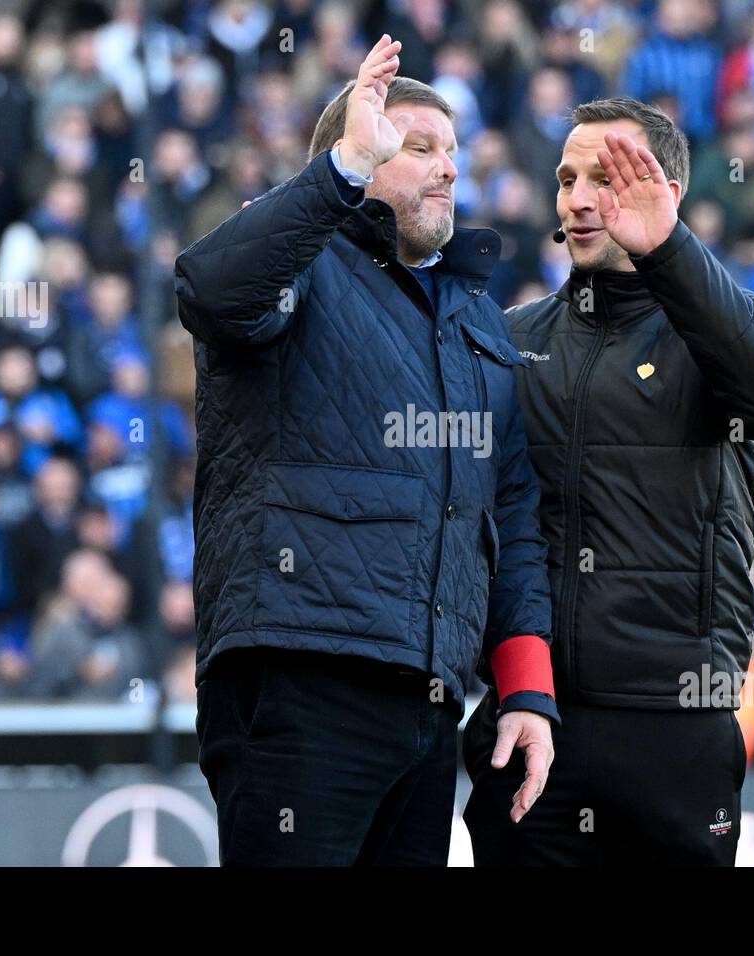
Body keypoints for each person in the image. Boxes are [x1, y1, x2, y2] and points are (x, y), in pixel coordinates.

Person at [176, 36, 558, 866]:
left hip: (429, 702)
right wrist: (342, 168)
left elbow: (513, 517)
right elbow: (210, 289)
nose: (447, 169)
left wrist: (526, 684)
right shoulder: (297, 256)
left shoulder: (480, 324)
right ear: (350, 155)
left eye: (452, 152)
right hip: (298, 675)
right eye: (416, 148)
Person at [463, 98, 754, 865]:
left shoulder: (733, 328)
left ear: (669, 195)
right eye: (566, 178)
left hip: (674, 724)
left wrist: (669, 253)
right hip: (532, 718)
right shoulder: (510, 340)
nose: (578, 198)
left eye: (607, 178)